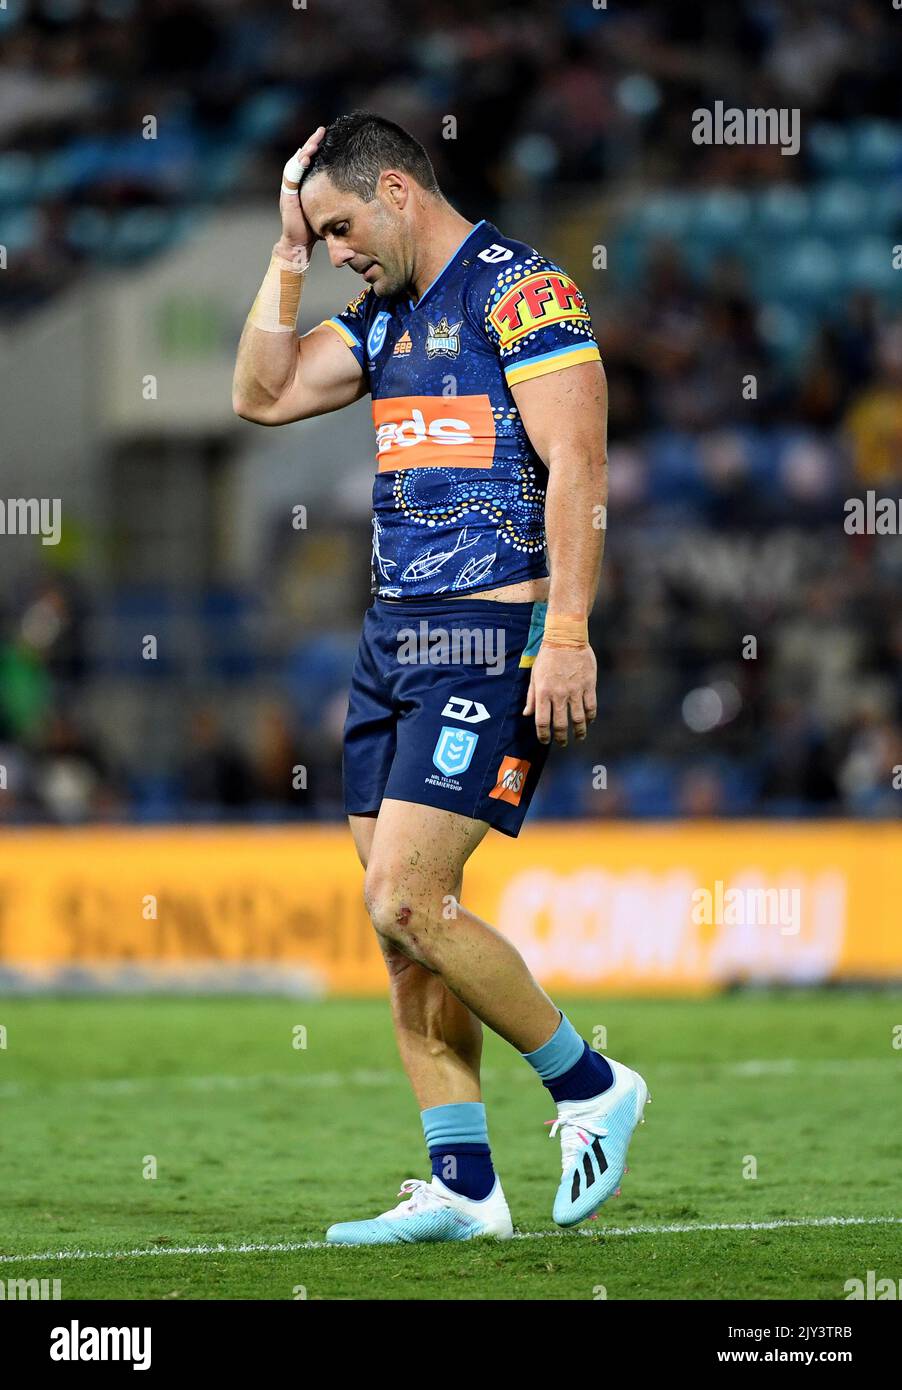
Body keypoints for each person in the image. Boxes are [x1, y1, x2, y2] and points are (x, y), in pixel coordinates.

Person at [232, 111, 648, 1244]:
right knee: (403, 932)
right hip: (390, 645)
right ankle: (464, 1184)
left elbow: (578, 461)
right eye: (317, 237)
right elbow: (259, 394)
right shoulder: (382, 318)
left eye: (339, 227)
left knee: (405, 896)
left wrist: (564, 627)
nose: (336, 253)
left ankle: (586, 1084)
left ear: (399, 194)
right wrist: (280, 253)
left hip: (486, 640)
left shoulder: (521, 293)